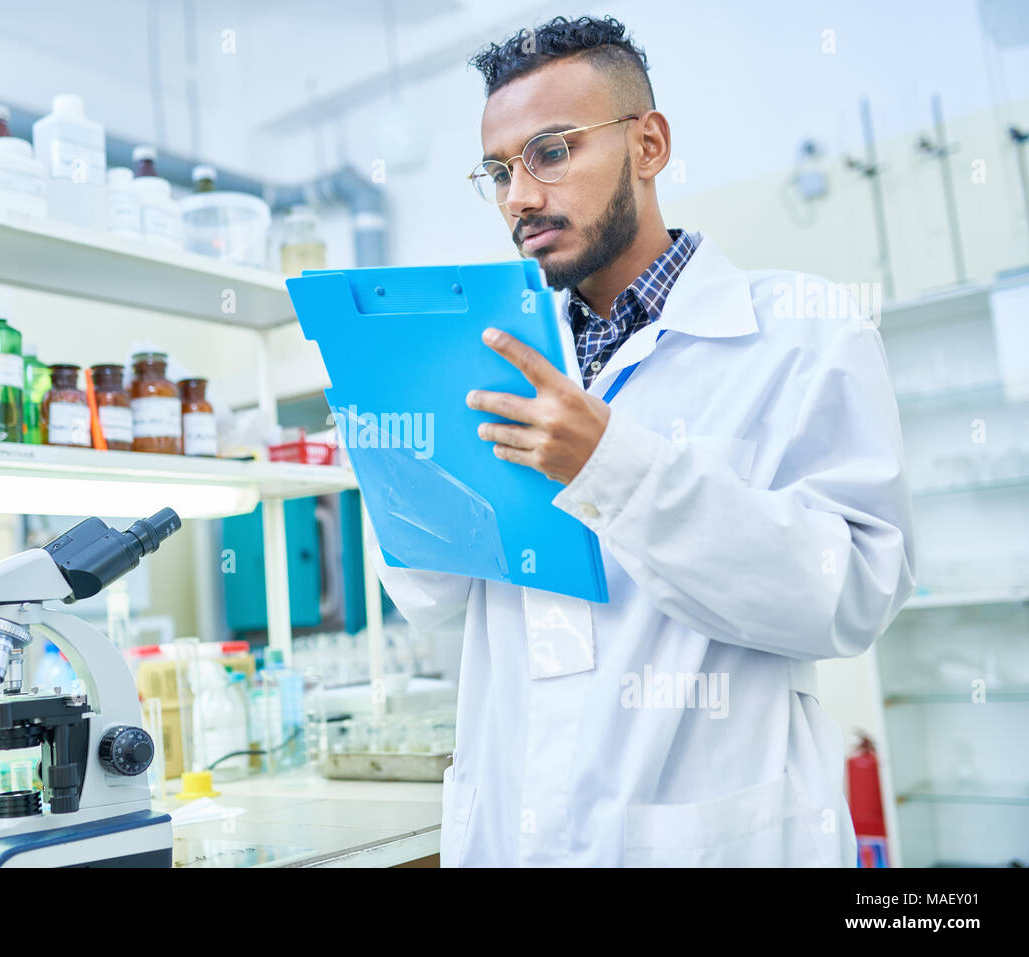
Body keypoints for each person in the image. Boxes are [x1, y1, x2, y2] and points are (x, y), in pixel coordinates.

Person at [364, 15, 915, 866]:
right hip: (516, 832)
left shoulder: (805, 335)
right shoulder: (491, 357)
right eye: (501, 171)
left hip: (710, 837)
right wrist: (397, 456)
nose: (519, 197)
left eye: (551, 152)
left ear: (648, 144)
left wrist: (611, 465)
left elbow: (851, 597)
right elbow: (431, 598)